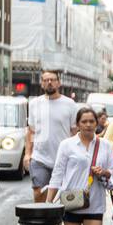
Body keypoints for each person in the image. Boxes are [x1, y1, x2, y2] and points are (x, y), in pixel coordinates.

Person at [45, 106, 113, 225]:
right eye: (84, 121)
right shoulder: (67, 145)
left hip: (95, 201)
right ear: (77, 124)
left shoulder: (105, 145)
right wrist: (49, 202)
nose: (88, 125)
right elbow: (58, 173)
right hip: (72, 201)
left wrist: (105, 172)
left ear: (97, 123)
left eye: (91, 121)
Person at [25, 69, 79, 202]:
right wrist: (27, 154)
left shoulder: (70, 104)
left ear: (58, 83)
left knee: (61, 197)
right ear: (41, 84)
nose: (49, 83)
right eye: (45, 80)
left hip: (63, 159)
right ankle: (41, 221)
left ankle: (54, 221)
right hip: (40, 158)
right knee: (38, 193)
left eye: (52, 80)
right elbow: (31, 131)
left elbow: (75, 132)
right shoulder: (34, 104)